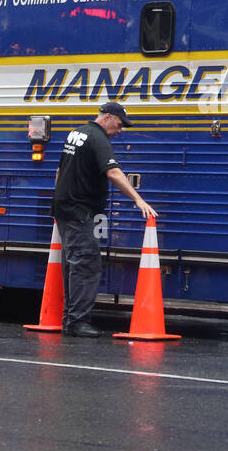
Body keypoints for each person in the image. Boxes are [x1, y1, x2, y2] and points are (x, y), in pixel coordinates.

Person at [51, 101, 157, 336]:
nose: (119, 131)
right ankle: (77, 322)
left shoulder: (76, 133)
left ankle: (71, 320)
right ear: (107, 117)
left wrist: (59, 200)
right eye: (119, 125)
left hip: (66, 207)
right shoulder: (98, 138)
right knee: (87, 263)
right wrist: (138, 199)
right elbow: (113, 172)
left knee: (74, 264)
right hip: (78, 210)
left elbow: (60, 170)